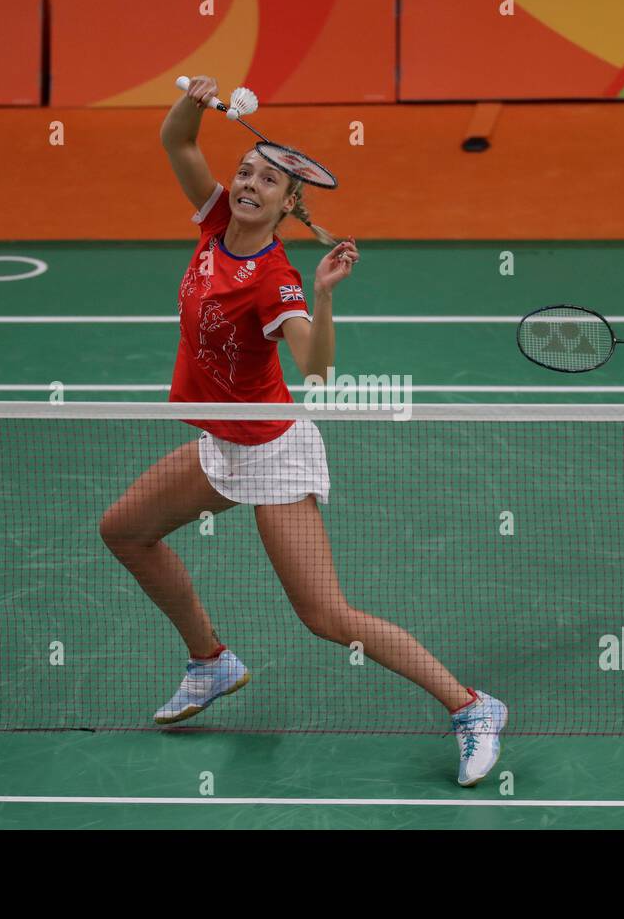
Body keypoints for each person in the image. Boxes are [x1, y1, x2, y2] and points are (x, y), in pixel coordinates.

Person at [100, 74, 508, 784]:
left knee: (327, 615)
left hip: (273, 453)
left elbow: (315, 366)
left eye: (270, 181)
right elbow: (176, 138)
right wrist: (194, 97)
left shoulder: (275, 279)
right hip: (225, 438)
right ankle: (211, 660)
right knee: (124, 529)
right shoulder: (214, 219)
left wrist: (320, 297)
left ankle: (472, 706)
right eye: (247, 170)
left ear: (291, 205)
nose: (251, 183)